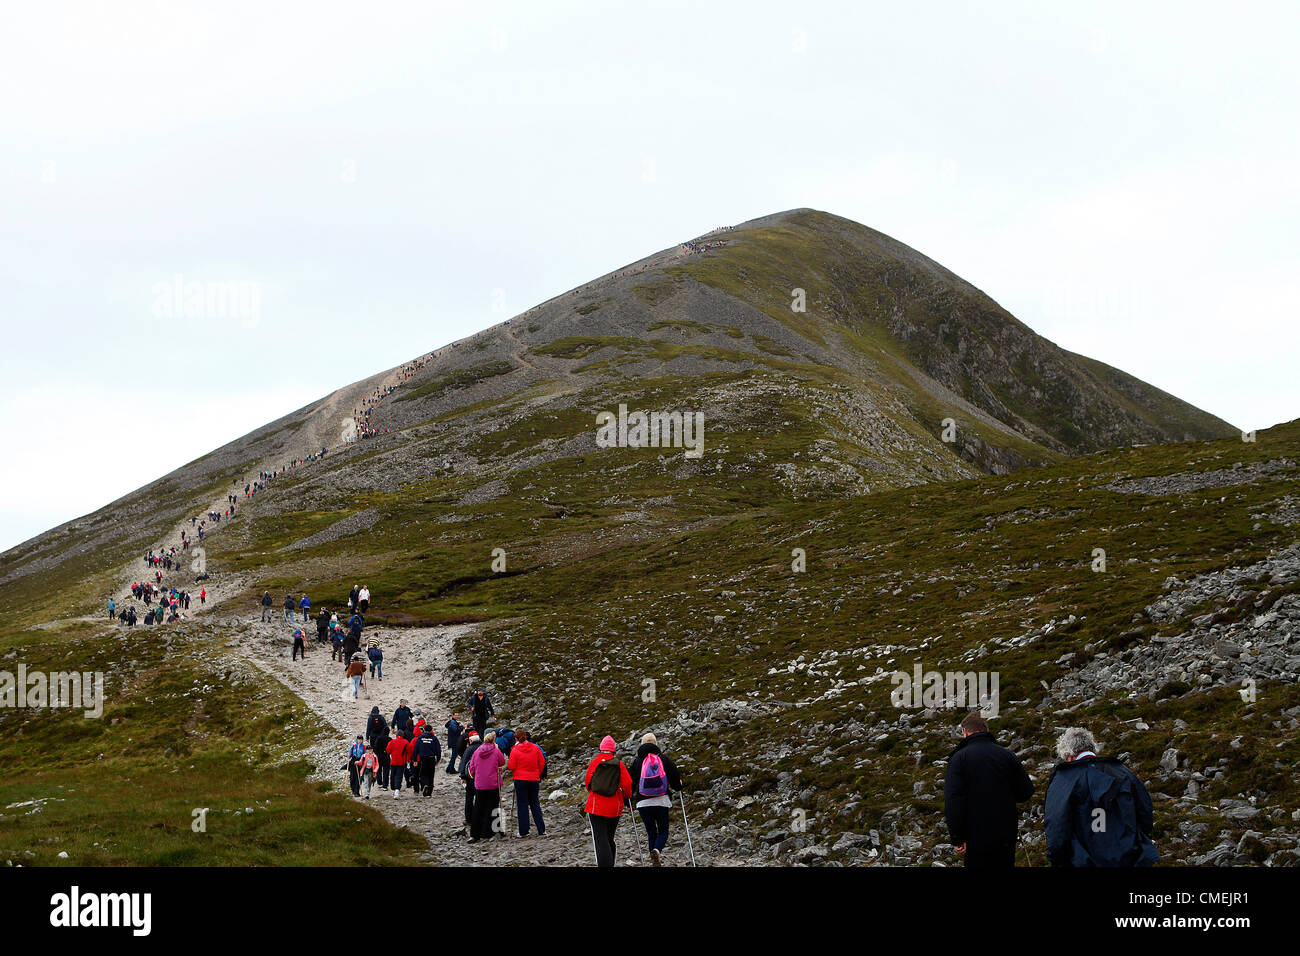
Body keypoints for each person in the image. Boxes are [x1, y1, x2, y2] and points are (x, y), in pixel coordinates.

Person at [1044, 727, 1159, 867]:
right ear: (1092, 748)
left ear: (1069, 755)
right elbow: (1145, 813)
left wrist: (1057, 859)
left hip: (1083, 859)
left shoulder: (1064, 779)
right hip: (1127, 856)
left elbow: (1056, 825)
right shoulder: (1124, 772)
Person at [944, 713, 1035, 868]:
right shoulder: (1006, 755)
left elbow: (954, 800)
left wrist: (957, 837)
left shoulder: (959, 759)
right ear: (986, 730)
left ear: (965, 732)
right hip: (1005, 833)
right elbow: (1026, 791)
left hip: (975, 836)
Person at [628, 732, 683, 865]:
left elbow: (631, 782)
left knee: (651, 831)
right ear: (656, 743)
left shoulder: (637, 761)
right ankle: (657, 850)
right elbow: (674, 777)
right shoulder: (664, 759)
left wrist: (628, 799)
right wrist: (678, 786)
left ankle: (653, 856)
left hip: (643, 802)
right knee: (663, 831)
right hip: (661, 800)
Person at [584, 735, 633, 867]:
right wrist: (628, 798)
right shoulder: (619, 764)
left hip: (596, 806)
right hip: (614, 808)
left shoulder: (595, 762)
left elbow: (588, 781)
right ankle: (611, 863)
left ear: (601, 748)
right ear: (613, 749)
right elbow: (627, 784)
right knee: (609, 837)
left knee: (600, 839)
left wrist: (593, 792)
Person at [468, 731, 507, 843]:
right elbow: (502, 762)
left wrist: (476, 776)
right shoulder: (495, 750)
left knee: (478, 808)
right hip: (493, 783)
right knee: (493, 807)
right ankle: (490, 831)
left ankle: (475, 834)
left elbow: (472, 766)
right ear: (493, 740)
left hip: (480, 784)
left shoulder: (477, 751)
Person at [507, 729, 546, 837]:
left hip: (520, 779)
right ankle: (541, 829)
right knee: (535, 803)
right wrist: (537, 773)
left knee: (522, 805)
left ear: (516, 738)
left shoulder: (515, 750)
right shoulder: (535, 747)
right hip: (534, 779)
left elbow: (511, 766)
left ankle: (524, 831)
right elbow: (542, 761)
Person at [458, 730, 482, 831]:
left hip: (471, 777)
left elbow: (463, 763)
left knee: (469, 798)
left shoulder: (469, 749)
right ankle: (480, 817)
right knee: (480, 798)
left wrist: (463, 776)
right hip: (482, 778)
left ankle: (469, 819)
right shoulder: (484, 747)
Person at [414, 725, 442, 796]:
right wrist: (438, 759)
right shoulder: (434, 738)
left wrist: (415, 760)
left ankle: (424, 785)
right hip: (431, 758)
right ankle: (429, 792)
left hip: (423, 759)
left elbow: (416, 749)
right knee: (431, 775)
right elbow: (438, 750)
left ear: (424, 730)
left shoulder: (420, 738)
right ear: (431, 730)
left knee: (423, 774)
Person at [386, 732, 410, 798]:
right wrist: (408, 760)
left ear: (396, 736)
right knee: (399, 776)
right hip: (402, 762)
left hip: (393, 761)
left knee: (392, 776)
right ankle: (397, 790)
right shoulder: (406, 742)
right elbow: (409, 751)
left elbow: (388, 751)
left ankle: (394, 788)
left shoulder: (392, 741)